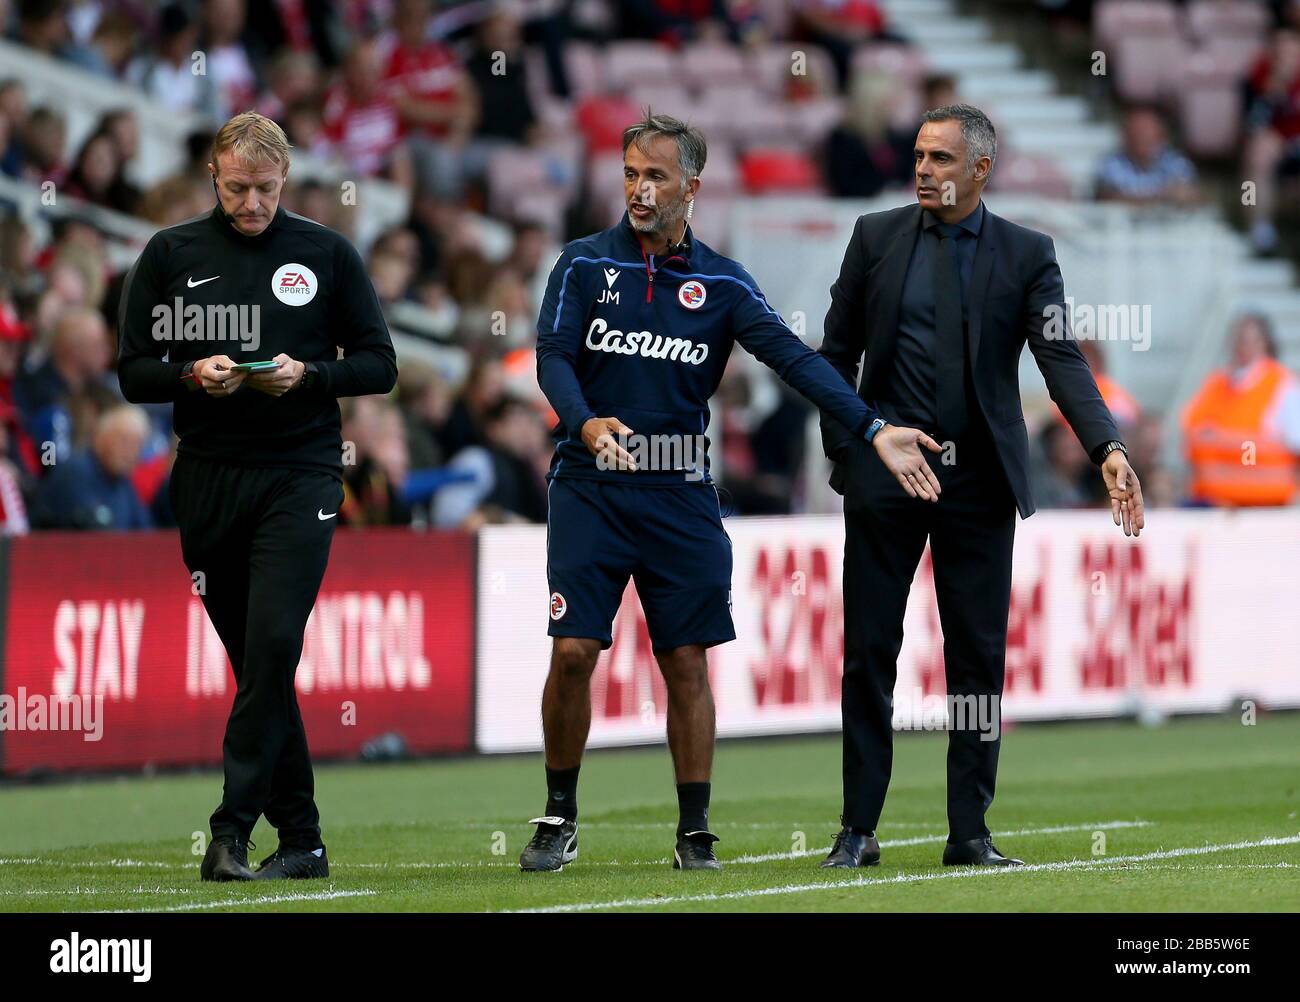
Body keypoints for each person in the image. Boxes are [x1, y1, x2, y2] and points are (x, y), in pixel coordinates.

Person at [522, 112, 903, 872]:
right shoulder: (582, 265)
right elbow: (553, 356)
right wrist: (586, 421)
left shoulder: (723, 281)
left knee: (687, 660)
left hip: (681, 494)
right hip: (591, 485)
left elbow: (794, 359)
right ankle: (558, 815)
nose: (639, 189)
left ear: (691, 187)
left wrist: (869, 426)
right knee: (573, 652)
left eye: (656, 175)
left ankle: (694, 829)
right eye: (630, 173)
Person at [815, 104, 1145, 869]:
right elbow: (833, 357)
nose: (923, 169)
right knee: (869, 651)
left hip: (979, 484)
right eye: (920, 155)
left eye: (939, 159)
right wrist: (854, 451)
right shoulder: (875, 237)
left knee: (976, 661)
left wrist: (1107, 446)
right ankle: (857, 828)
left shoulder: (1028, 254)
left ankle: (969, 833)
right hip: (890, 475)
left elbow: (1061, 359)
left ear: (980, 170)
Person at [116, 112, 397, 882]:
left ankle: (230, 832)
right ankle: (303, 840)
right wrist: (187, 374)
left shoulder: (326, 253)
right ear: (214, 175)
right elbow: (133, 370)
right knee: (259, 668)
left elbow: (380, 363)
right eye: (238, 188)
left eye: (266, 190)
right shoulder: (170, 253)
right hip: (207, 478)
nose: (252, 204)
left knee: (273, 646)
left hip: (300, 472)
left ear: (287, 181)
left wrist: (310, 376)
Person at [1181, 313, 1300, 506]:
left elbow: (1295, 444)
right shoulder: (1216, 383)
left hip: (1266, 504)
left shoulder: (1283, 384)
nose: (1244, 346)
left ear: (1265, 343)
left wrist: (1222, 439)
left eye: (1251, 340)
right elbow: (1191, 431)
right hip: (1211, 502)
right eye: (1239, 339)